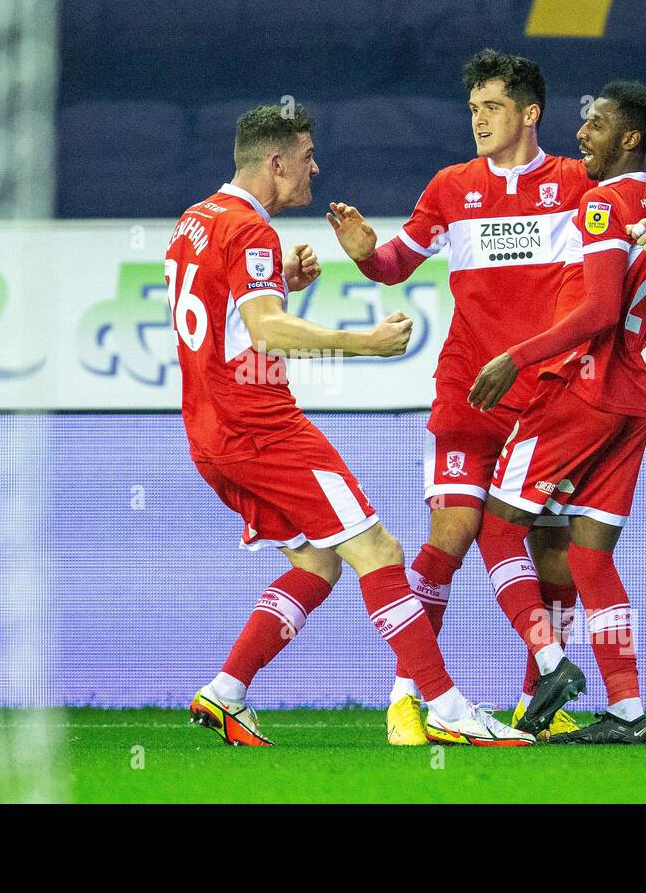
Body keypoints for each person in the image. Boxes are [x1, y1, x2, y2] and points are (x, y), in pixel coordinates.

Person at [327, 51, 646, 745]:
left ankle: (536, 702)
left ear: (529, 113)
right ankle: (410, 701)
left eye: (491, 107)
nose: (478, 121)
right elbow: (398, 264)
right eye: (471, 110)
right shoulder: (450, 187)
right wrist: (367, 255)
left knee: (554, 556)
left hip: (548, 396)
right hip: (471, 391)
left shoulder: (575, 181)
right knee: (453, 536)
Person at [174, 104, 534, 747]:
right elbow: (263, 329)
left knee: (316, 562)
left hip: (208, 435)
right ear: (275, 161)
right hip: (263, 430)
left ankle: (226, 690)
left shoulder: (197, 221)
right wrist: (364, 343)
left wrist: (280, 281)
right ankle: (447, 709)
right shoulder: (251, 232)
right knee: (381, 553)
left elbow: (221, 311)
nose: (317, 167)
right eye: (308, 156)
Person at [467, 80, 646, 744]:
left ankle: (549, 662)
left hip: (581, 393)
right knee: (593, 563)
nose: (582, 135)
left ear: (628, 138)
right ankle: (629, 714)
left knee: (496, 527)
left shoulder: (601, 206)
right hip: (634, 400)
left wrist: (516, 357)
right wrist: (629, 340)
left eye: (596, 125)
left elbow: (598, 311)